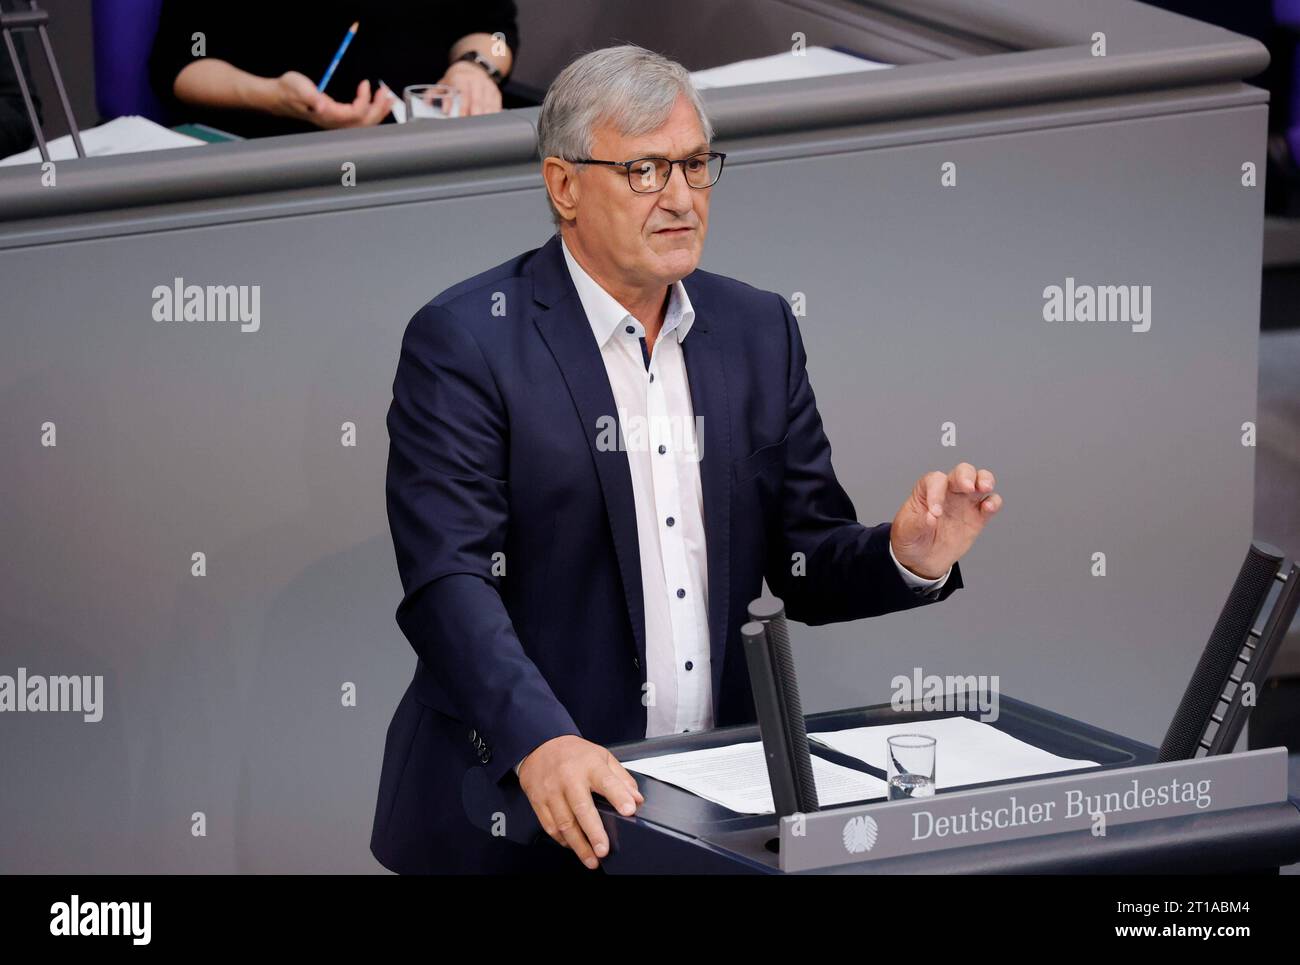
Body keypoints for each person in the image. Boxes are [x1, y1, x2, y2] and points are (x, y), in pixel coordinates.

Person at [371, 44, 1003, 874]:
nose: (679, 198)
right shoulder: (468, 341)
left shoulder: (757, 331)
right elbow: (448, 583)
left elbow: (802, 556)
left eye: (696, 166)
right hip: (517, 812)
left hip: (703, 816)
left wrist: (906, 555)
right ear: (564, 185)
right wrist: (542, 740)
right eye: (644, 171)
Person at [147, 1, 518, 139]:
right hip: (278, 151)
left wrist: (475, 68)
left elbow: (498, 33)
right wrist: (273, 97)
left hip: (421, 153)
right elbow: (182, 65)